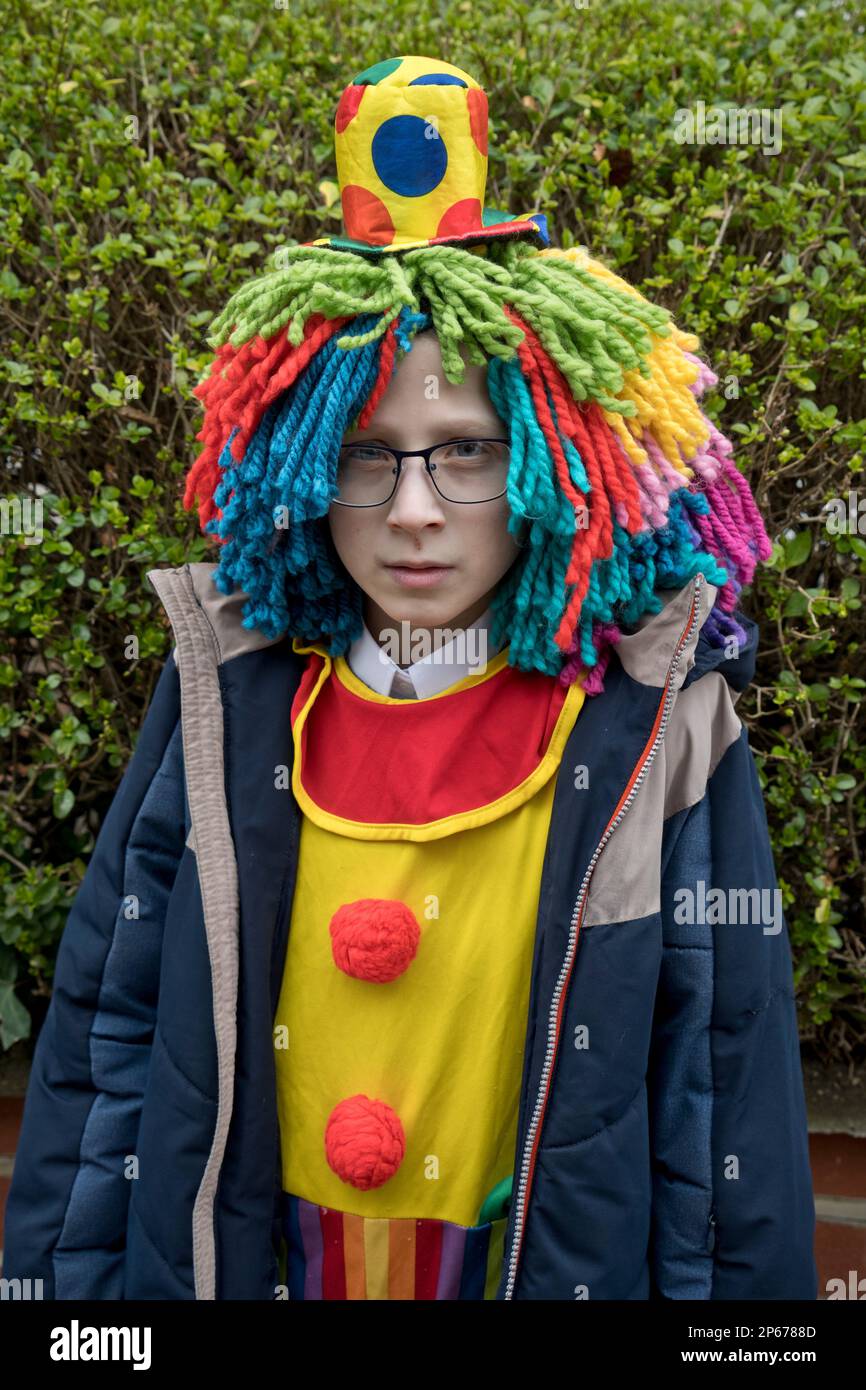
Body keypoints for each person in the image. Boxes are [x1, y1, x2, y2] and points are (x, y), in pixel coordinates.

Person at [2, 54, 817, 1301]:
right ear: (294, 466)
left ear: (559, 458)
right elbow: (109, 1035)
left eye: (468, 452)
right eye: (366, 457)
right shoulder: (226, 694)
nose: (415, 514)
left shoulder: (661, 723)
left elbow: (722, 1085)